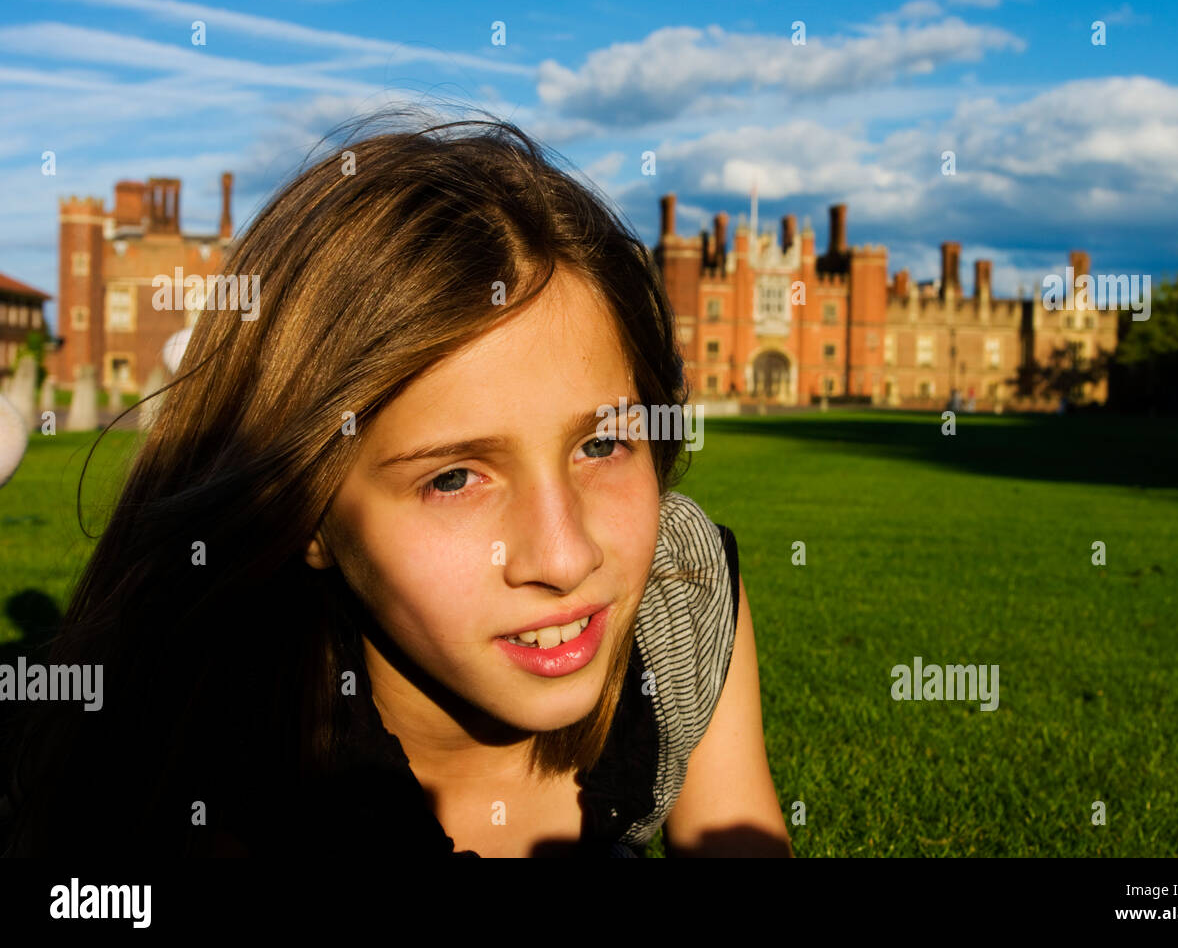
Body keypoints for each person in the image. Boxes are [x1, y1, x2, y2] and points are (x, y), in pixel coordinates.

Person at [0, 109, 791, 858]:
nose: (565, 556)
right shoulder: (219, 778)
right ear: (306, 512)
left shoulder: (676, 596)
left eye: (603, 443)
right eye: (454, 477)